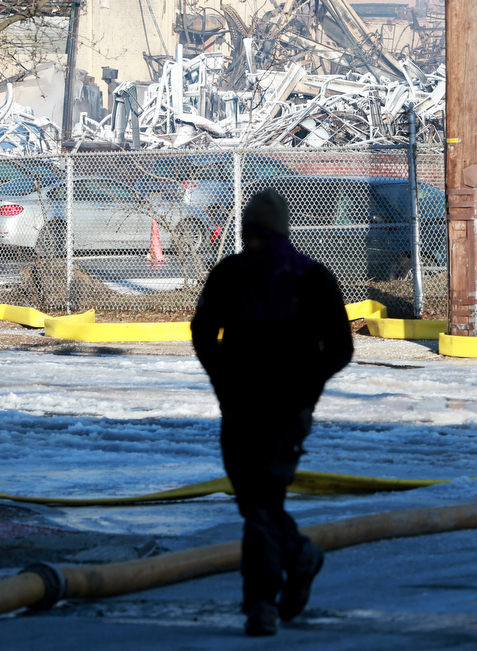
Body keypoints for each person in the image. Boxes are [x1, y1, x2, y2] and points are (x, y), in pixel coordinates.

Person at [191, 188, 353, 636]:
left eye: (263, 237)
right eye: (249, 236)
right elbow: (203, 330)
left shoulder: (312, 281)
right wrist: (222, 380)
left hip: (286, 413)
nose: (256, 245)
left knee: (261, 503)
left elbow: (340, 348)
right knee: (253, 502)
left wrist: (304, 390)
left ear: (279, 235)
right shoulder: (229, 275)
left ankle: (259, 602)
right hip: (240, 408)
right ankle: (301, 555)